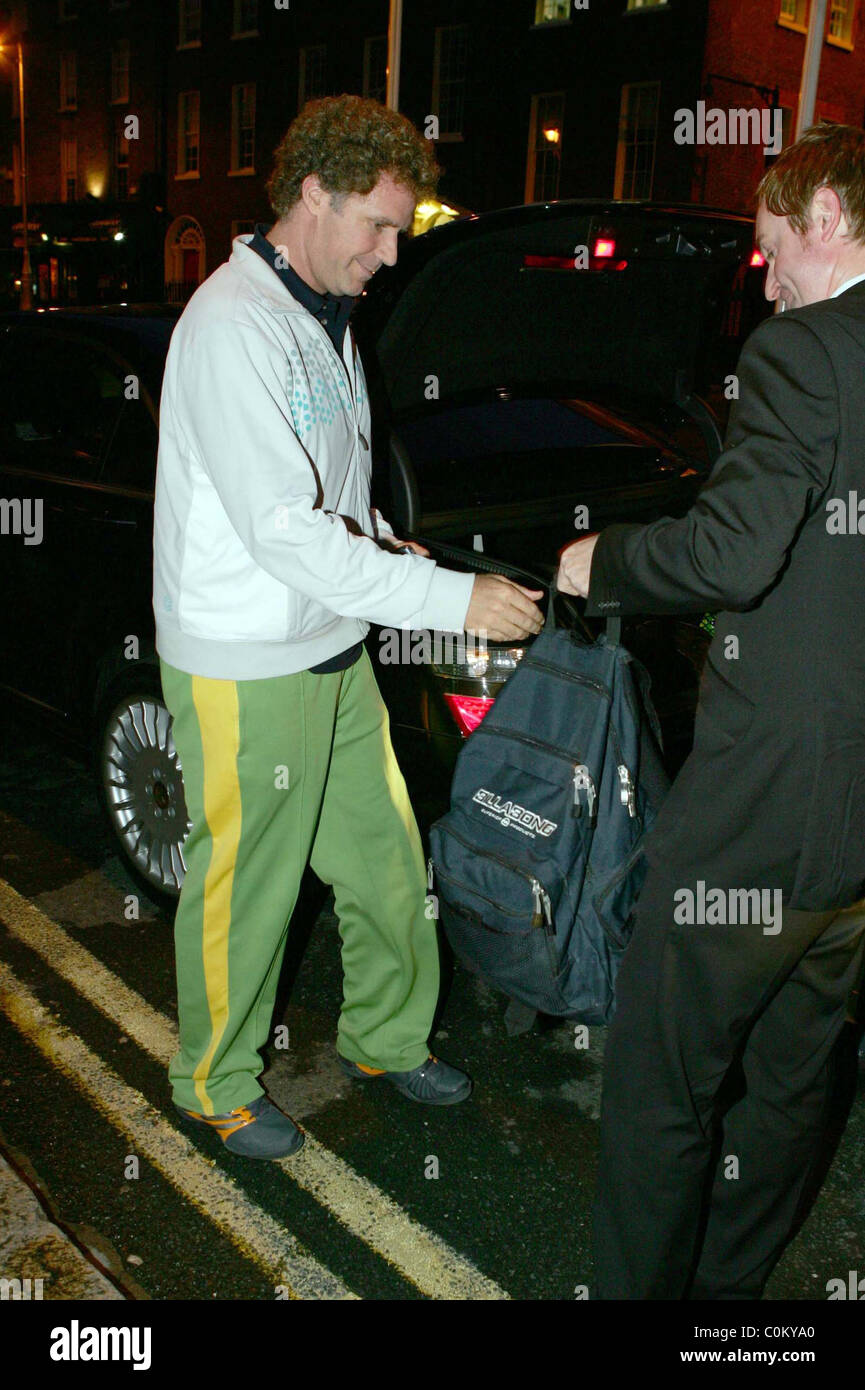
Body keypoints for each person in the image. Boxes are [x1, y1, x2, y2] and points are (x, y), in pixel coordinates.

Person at [153, 95, 543, 1160]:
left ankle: (383, 1035)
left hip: (330, 641)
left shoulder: (322, 315)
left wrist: (381, 538)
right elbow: (279, 528)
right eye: (376, 225)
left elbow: (326, 493)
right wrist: (450, 600)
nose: (388, 253)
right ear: (310, 198)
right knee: (249, 883)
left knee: (383, 862)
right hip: (245, 660)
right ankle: (212, 1081)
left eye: (399, 232)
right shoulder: (232, 326)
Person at [557, 121, 865, 1298]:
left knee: (659, 1085)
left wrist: (606, 561)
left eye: (768, 241)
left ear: (824, 217)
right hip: (850, 839)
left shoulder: (803, 352)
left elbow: (733, 551)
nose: (762, 270)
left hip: (764, 809)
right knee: (792, 1080)